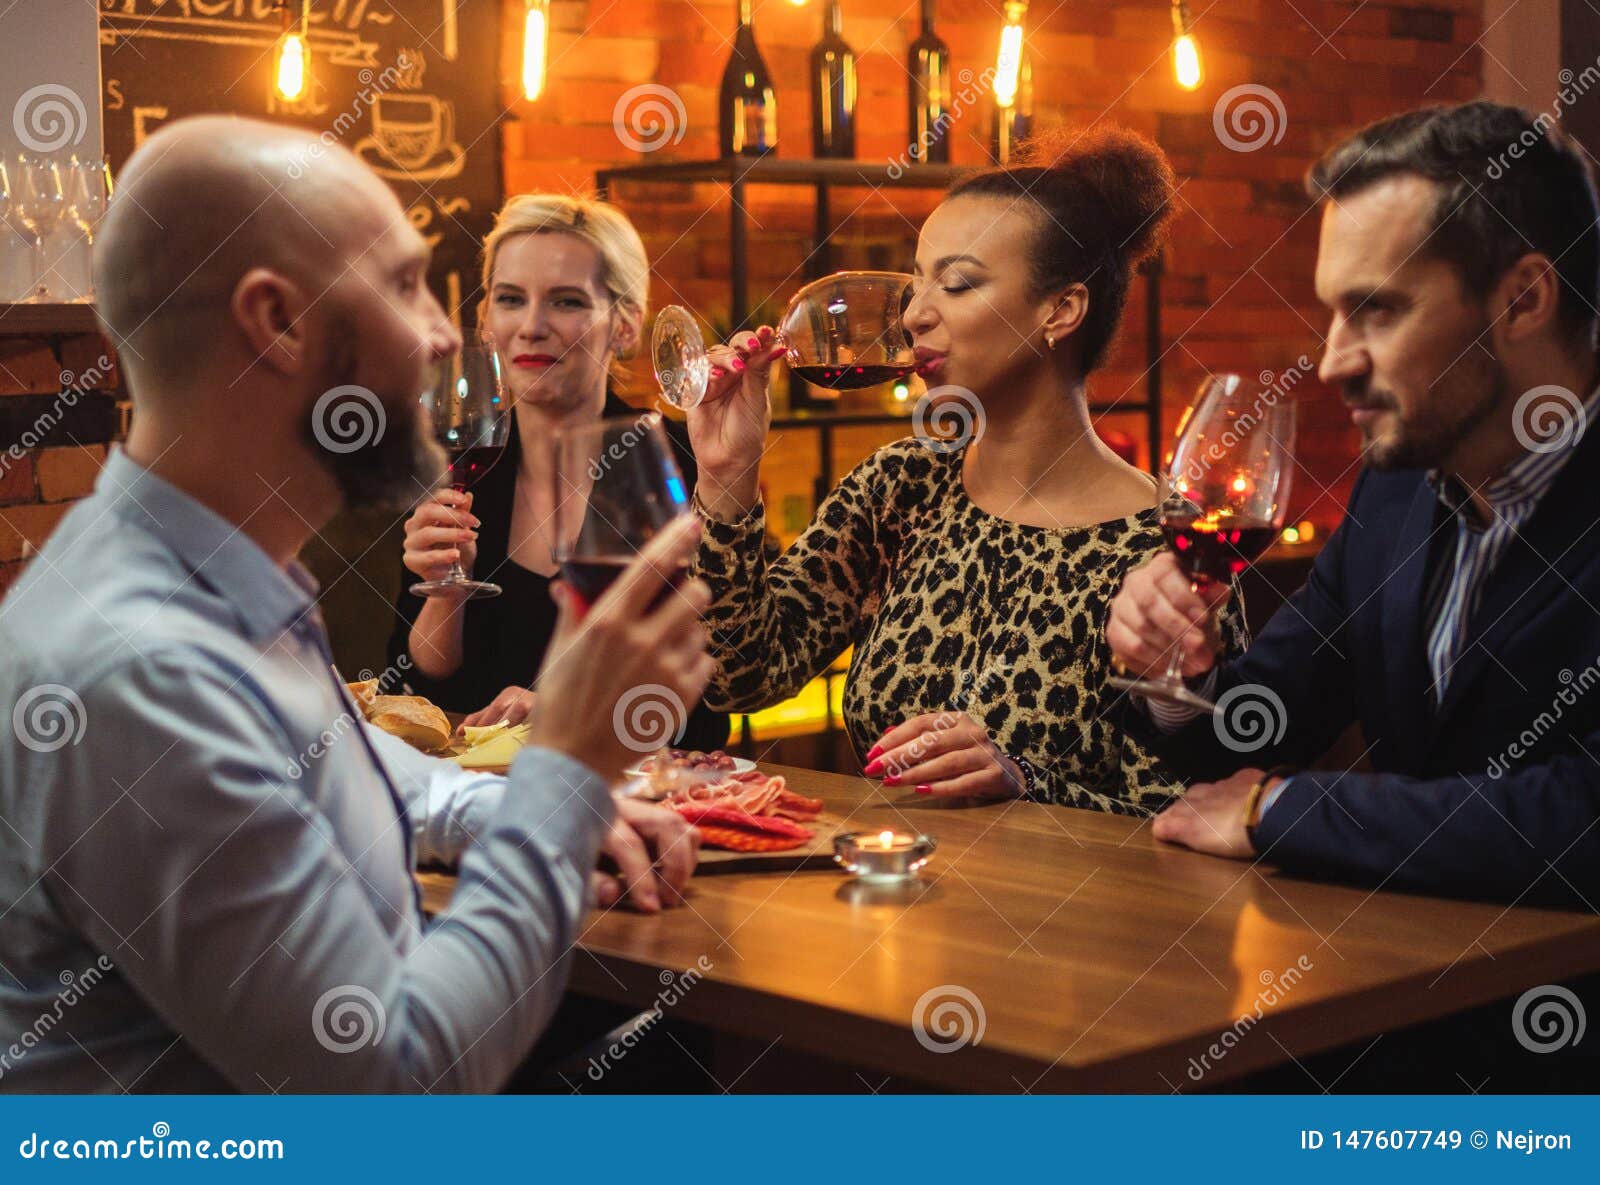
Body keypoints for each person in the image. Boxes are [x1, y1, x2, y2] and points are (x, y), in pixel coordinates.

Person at [0, 116, 714, 1092]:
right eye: (404, 284)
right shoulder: (141, 672)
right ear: (278, 321)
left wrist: (505, 808)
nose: (442, 335)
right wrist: (564, 773)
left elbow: (345, 766)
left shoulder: (208, 571)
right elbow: (392, 1084)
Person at [1108, 101, 1600, 908]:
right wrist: (1172, 674)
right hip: (1393, 1003)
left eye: (1378, 308)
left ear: (1524, 299)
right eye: (1333, 311)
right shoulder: (1396, 491)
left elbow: (1580, 817)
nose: (1333, 360)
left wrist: (1283, 808)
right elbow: (1270, 718)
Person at [684, 126, 1241, 812]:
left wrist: (1023, 785)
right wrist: (726, 477)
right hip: (882, 898)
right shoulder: (902, 485)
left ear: (1060, 309)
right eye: (918, 283)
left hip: (1062, 918)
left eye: (955, 284)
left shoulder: (1168, 551)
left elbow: (1190, 813)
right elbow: (741, 672)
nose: (915, 313)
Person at [388, 194, 728, 749]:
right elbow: (416, 689)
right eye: (510, 299)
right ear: (486, 321)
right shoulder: (455, 465)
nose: (532, 325)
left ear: (624, 326)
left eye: (566, 302)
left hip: (641, 799)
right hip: (476, 807)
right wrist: (445, 595)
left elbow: (713, 696)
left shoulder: (675, 464)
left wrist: (572, 712)